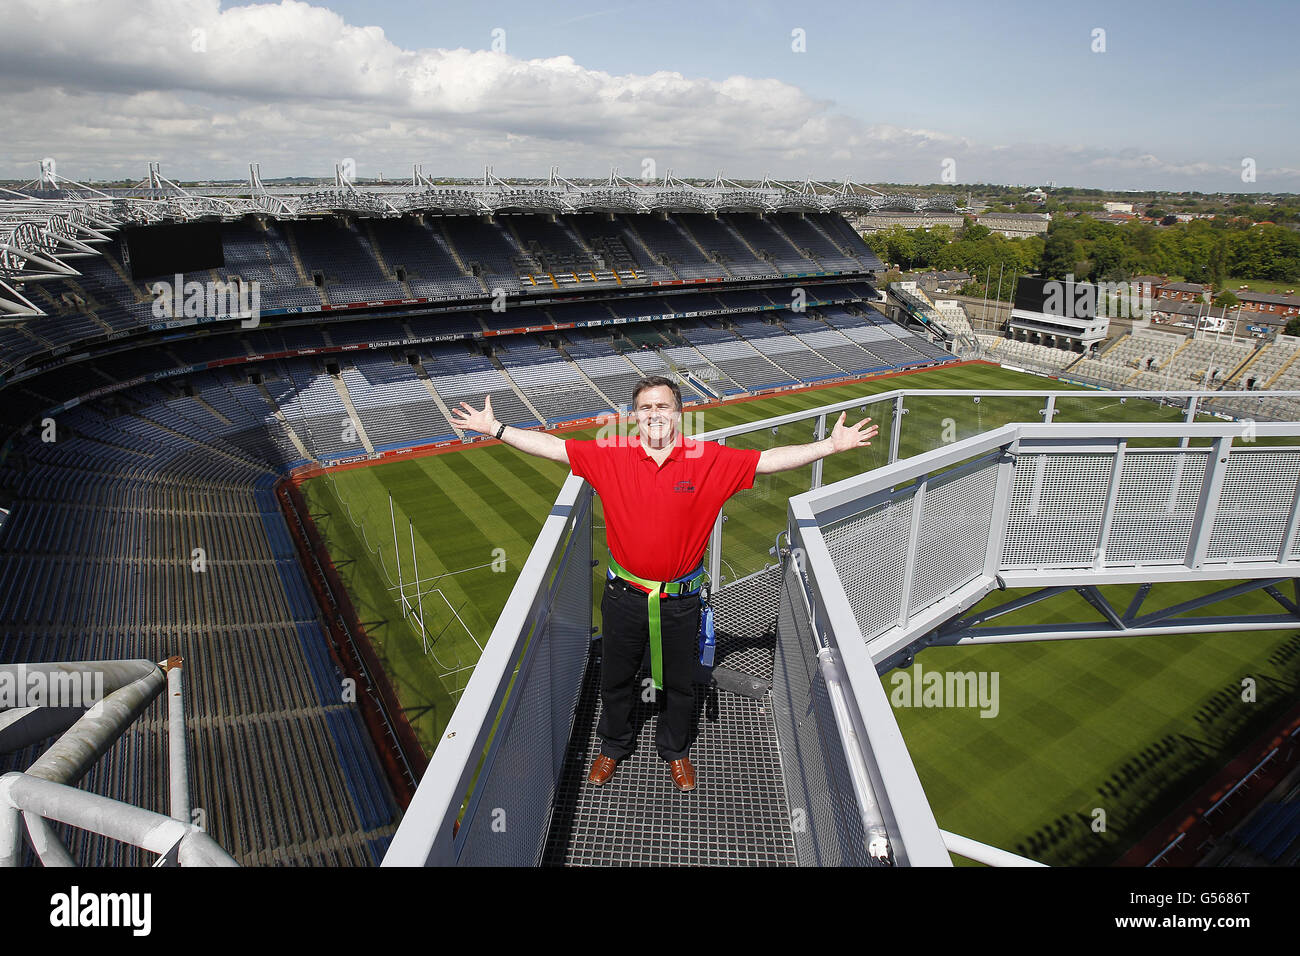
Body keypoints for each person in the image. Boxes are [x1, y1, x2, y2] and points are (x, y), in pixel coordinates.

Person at [449, 375, 878, 792]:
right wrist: (496, 428)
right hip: (623, 595)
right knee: (616, 676)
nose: (654, 414)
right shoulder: (611, 455)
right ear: (634, 415)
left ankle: (674, 750)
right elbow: (554, 448)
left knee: (678, 681)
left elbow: (766, 460)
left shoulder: (707, 458)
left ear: (678, 413)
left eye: (663, 406)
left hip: (680, 601)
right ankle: (613, 745)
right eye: (646, 407)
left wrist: (830, 446)